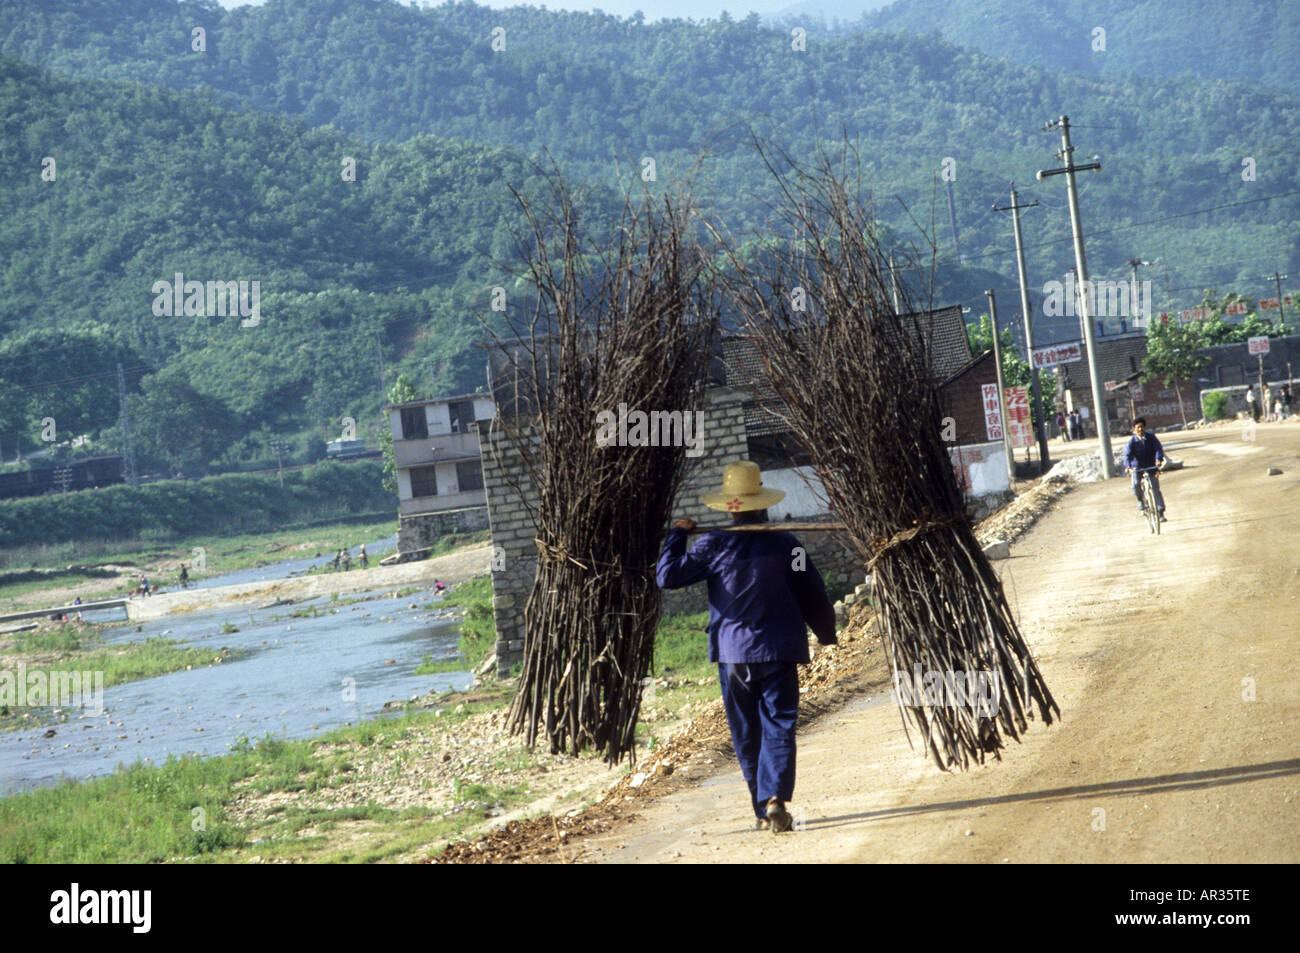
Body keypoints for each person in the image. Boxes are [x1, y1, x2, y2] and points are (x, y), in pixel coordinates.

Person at [656, 460, 837, 833]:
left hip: (734, 656)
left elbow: (666, 575)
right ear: (763, 503)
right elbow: (812, 591)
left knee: (746, 732)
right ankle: (775, 799)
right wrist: (825, 631)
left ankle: (761, 808)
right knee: (780, 725)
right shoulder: (788, 545)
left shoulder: (712, 544)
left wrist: (677, 535)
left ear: (727, 506)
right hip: (779, 651)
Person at [1123, 417, 1167, 521]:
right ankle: (1140, 501)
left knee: (1155, 488)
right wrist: (1127, 466)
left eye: (1142, 427)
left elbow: (1158, 449)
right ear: (1134, 429)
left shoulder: (1151, 437)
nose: (1140, 429)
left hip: (1151, 466)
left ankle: (1160, 512)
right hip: (1137, 467)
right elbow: (1127, 456)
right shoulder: (1132, 442)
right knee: (1136, 484)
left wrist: (1158, 459)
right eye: (1138, 427)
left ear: (1144, 427)